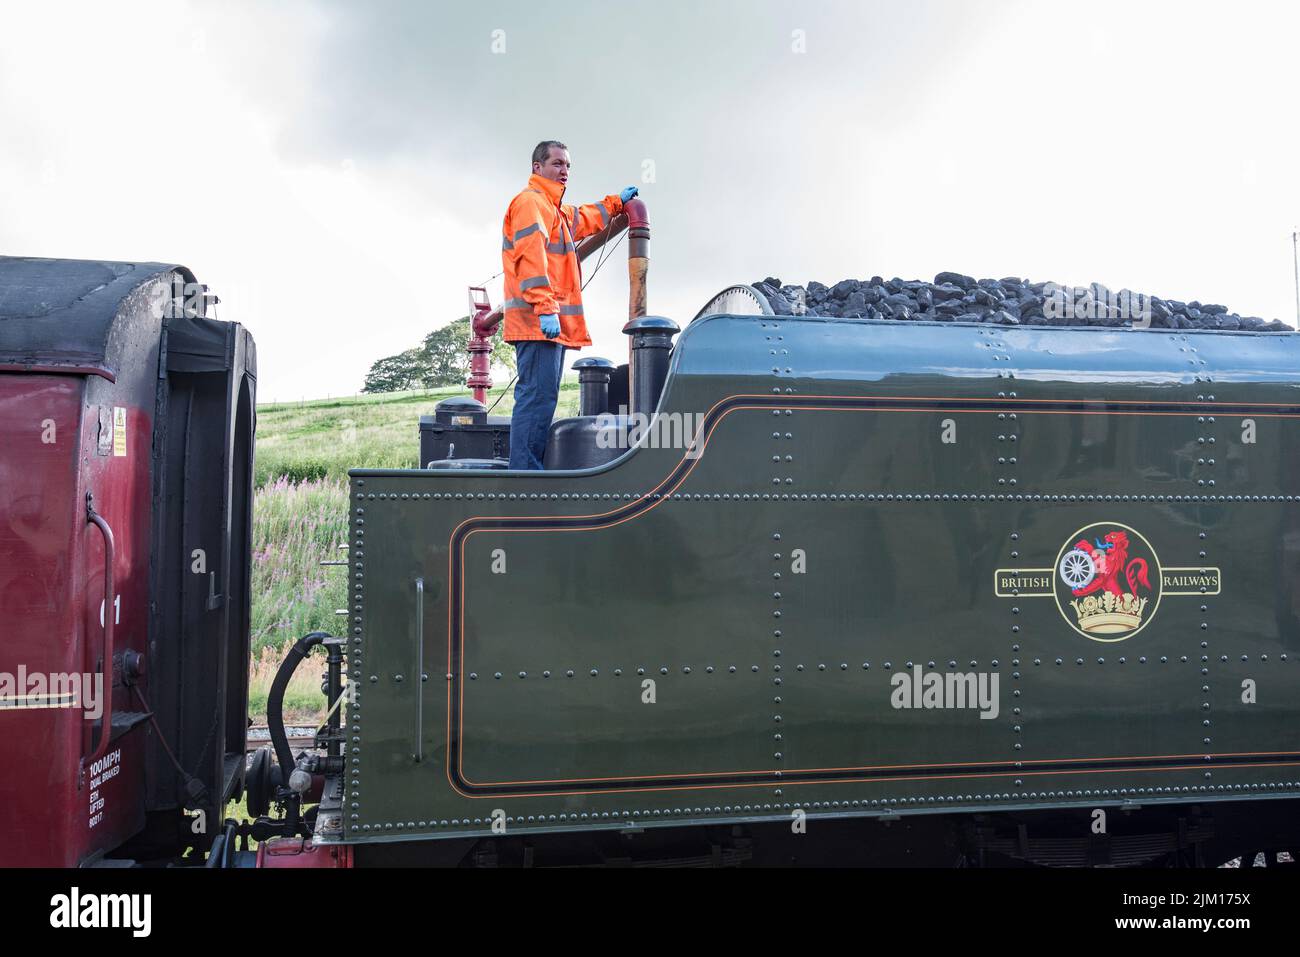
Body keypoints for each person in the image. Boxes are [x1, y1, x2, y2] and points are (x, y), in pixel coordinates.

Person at [501, 140, 638, 470]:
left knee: (543, 399)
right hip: (538, 323)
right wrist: (546, 308)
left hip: (548, 324)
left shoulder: (555, 210)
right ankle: (524, 475)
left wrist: (616, 203)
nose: (564, 171)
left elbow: (585, 218)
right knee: (536, 398)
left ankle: (528, 471)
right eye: (557, 164)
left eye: (568, 166)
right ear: (538, 168)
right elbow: (530, 258)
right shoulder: (530, 203)